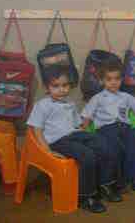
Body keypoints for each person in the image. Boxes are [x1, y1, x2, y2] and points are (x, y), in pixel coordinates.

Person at [27, 64, 121, 214]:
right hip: (58, 141)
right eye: (56, 86)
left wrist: (89, 128)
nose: (61, 89)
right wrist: (47, 150)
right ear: (47, 87)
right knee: (87, 156)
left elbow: (78, 124)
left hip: (75, 134)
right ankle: (85, 196)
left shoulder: (70, 102)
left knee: (103, 144)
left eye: (65, 85)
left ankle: (105, 184)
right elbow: (36, 129)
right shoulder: (42, 105)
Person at [81, 57, 135, 192]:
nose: (113, 83)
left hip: (125, 127)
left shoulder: (125, 96)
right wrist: (85, 132)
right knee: (113, 146)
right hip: (106, 129)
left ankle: (134, 178)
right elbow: (86, 116)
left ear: (121, 79)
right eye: (109, 79)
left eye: (117, 79)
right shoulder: (97, 98)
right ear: (102, 81)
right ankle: (117, 181)